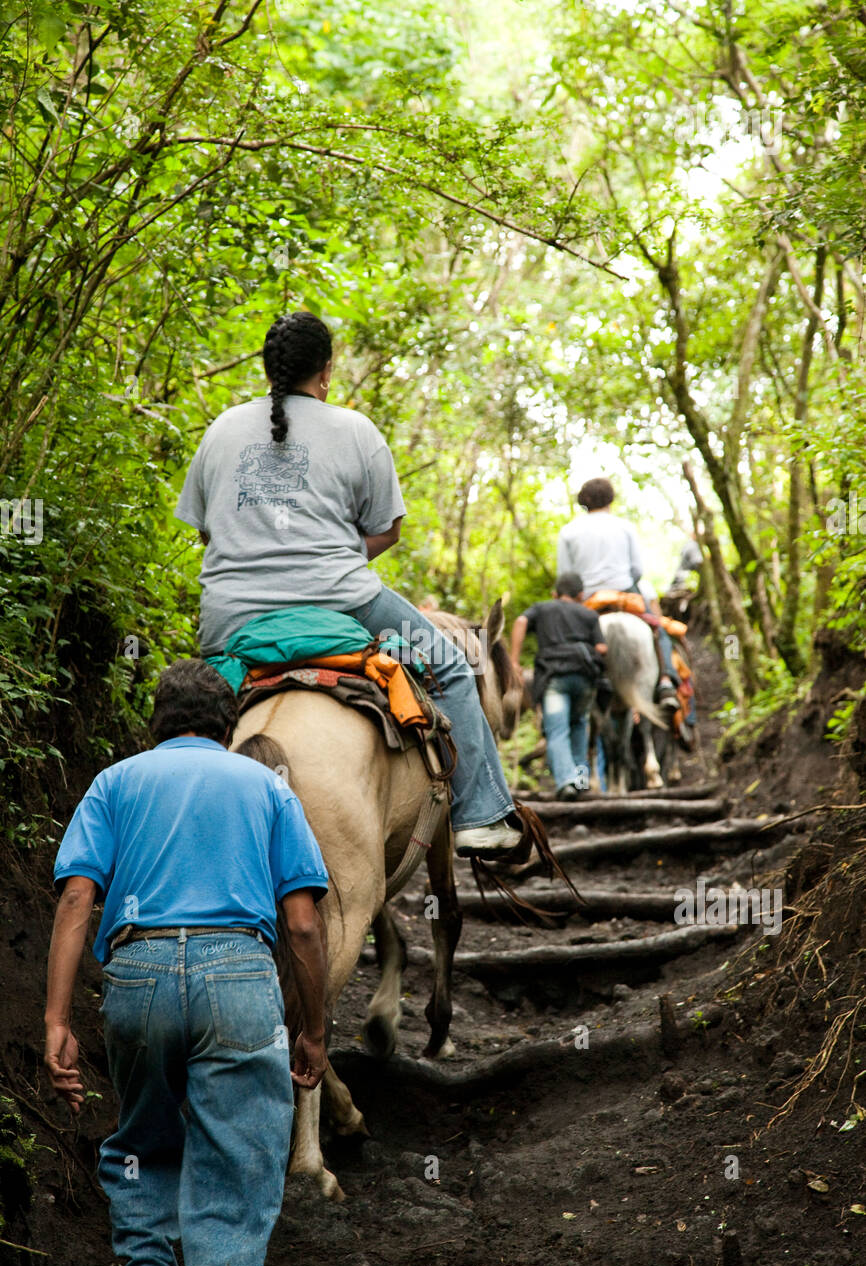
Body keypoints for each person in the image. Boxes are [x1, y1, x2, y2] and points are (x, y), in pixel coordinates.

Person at [173, 310, 520, 857]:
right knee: (455, 665)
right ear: (326, 370)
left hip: (230, 617)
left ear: (268, 369)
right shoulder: (356, 430)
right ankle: (480, 815)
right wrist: (326, 557)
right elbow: (387, 531)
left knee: (193, 700)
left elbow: (205, 532)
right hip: (344, 603)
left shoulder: (220, 430)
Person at [44, 659, 330, 1266]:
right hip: (238, 974)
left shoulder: (114, 782)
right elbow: (304, 926)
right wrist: (313, 1029)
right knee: (235, 1163)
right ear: (228, 726)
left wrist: (57, 1020)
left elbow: (76, 899)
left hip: (138, 976)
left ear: (155, 724)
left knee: (143, 1140)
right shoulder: (267, 787)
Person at [557, 477, 679, 712]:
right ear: (610, 498)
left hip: (588, 598)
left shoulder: (568, 531)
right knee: (657, 629)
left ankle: (566, 695)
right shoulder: (625, 526)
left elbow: (565, 576)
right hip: (624, 593)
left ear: (585, 501)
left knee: (564, 639)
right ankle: (666, 681)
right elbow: (637, 570)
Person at [510, 573, 607, 800]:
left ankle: (566, 782)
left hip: (554, 678)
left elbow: (521, 621)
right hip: (584, 679)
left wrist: (514, 661)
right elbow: (602, 649)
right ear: (581, 594)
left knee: (557, 731)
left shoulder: (542, 609)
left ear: (556, 593)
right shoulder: (589, 614)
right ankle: (581, 781)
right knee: (579, 728)